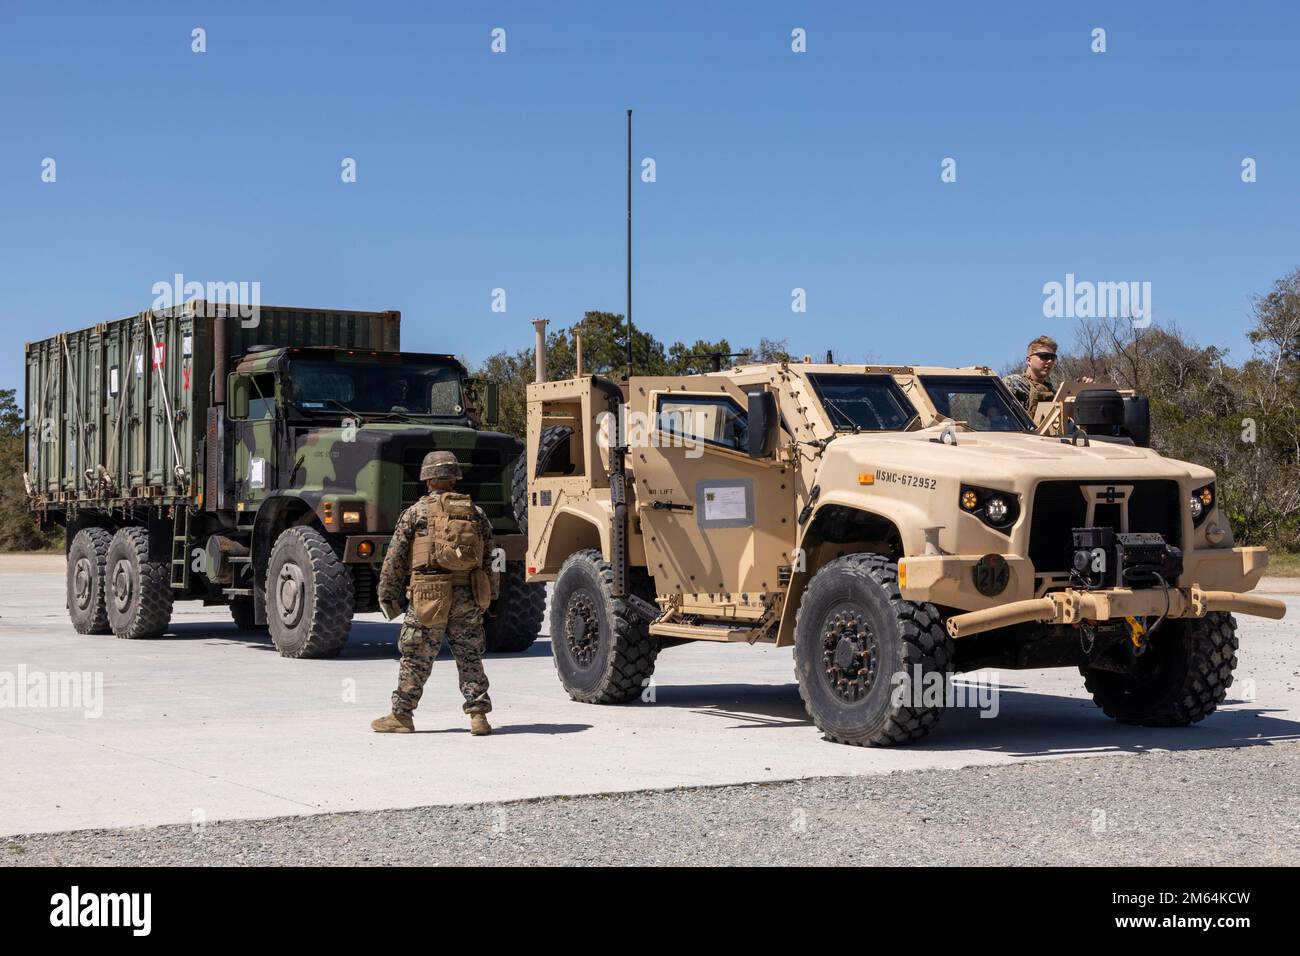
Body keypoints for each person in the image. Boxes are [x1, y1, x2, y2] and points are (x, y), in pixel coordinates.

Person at [371, 450, 499, 735]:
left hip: (427, 595)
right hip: (467, 593)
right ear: (455, 478)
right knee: (469, 656)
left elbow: (395, 558)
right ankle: (478, 715)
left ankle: (401, 715)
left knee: (416, 656)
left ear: (427, 480)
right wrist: (489, 596)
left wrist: (386, 593)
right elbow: (490, 558)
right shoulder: (476, 513)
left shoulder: (415, 513)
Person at [1002, 335, 1092, 417]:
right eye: (1044, 356)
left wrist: (1082, 394)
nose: (1050, 361)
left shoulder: (1054, 393)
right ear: (1029, 360)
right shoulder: (1013, 383)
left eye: (1053, 358)